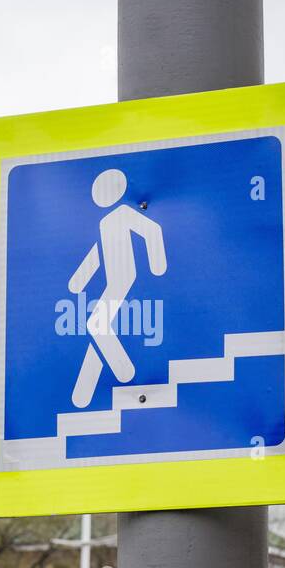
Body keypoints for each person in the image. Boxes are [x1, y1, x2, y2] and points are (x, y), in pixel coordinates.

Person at [67, 168, 167, 408]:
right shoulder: (103, 222)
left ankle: (125, 372)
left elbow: (152, 231)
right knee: (101, 328)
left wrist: (157, 265)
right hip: (113, 280)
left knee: (96, 324)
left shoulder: (124, 212)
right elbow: (98, 254)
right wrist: (78, 280)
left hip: (124, 277)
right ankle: (85, 392)